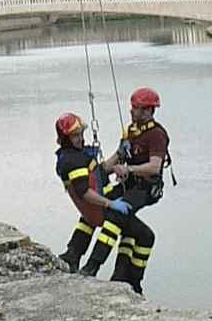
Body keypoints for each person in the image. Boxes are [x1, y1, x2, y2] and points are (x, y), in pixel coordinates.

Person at [79, 87, 168, 293]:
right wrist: (95, 174)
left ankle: (93, 266)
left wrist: (129, 169)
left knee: (117, 214)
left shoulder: (156, 135)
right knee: (97, 203)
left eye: (135, 108)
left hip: (145, 189)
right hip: (128, 185)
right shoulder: (131, 132)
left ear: (147, 111)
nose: (131, 111)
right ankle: (78, 255)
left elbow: (155, 167)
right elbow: (115, 160)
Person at [52, 112, 120, 273]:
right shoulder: (72, 161)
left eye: (81, 134)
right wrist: (108, 203)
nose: (81, 138)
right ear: (66, 138)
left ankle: (73, 254)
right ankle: (92, 266)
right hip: (101, 202)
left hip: (96, 204)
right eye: (75, 136)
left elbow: (100, 172)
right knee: (131, 228)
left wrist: (119, 153)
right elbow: (84, 192)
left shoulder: (76, 155)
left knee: (88, 221)